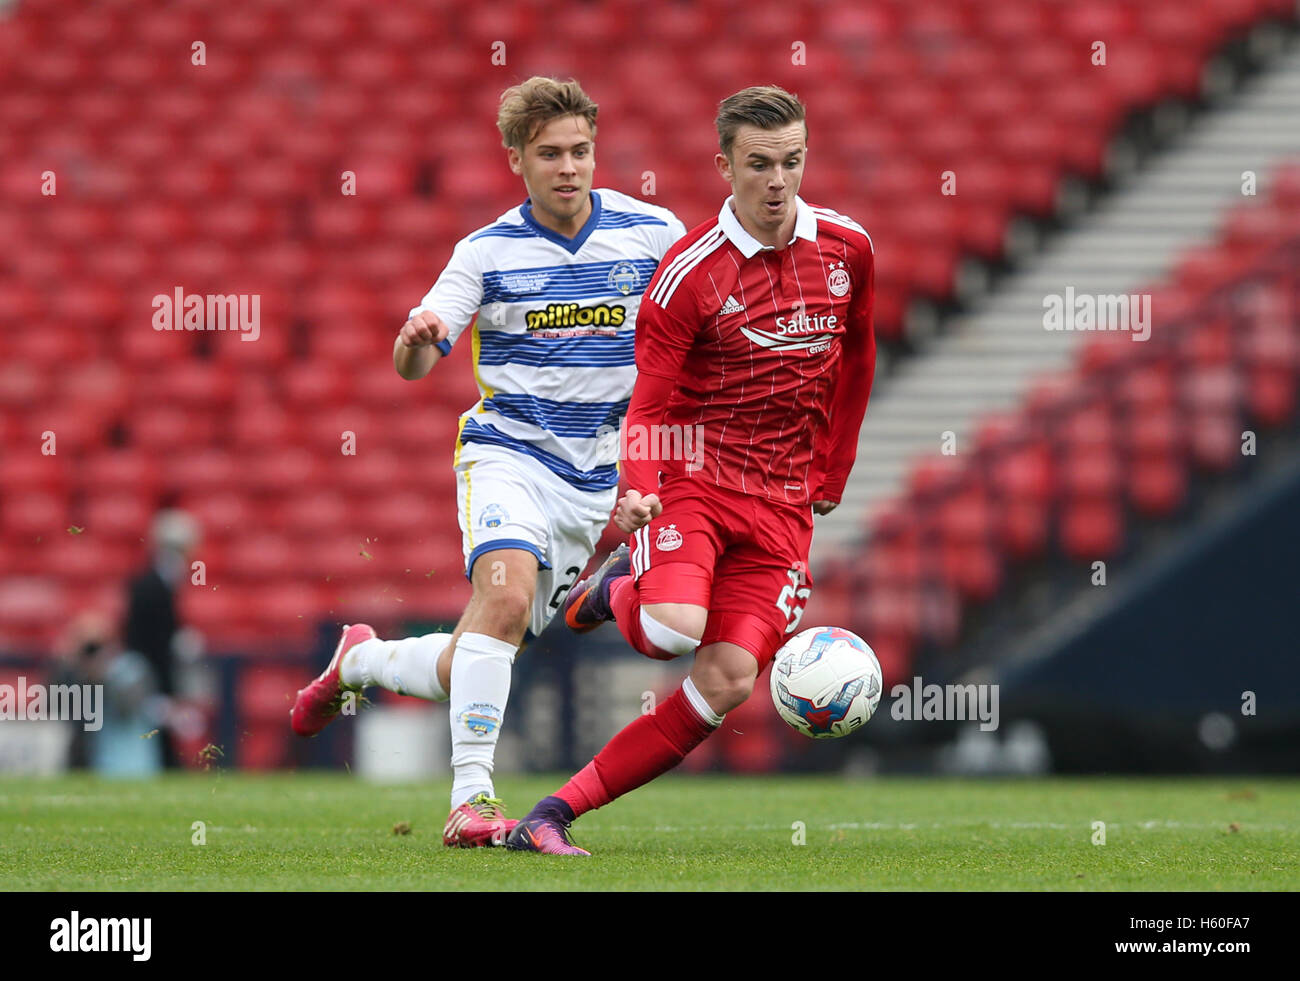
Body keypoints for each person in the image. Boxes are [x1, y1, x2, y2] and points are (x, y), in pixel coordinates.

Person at [290, 77, 685, 848]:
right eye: (549, 154)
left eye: (580, 151)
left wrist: (647, 479)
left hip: (594, 480)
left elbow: (691, 343)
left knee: (481, 649)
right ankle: (470, 800)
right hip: (508, 454)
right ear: (516, 160)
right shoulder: (486, 251)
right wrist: (412, 345)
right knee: (502, 601)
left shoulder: (652, 234)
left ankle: (361, 660)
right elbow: (418, 358)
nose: (569, 167)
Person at [506, 85, 877, 855]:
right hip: (694, 482)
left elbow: (861, 354)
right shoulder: (687, 275)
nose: (779, 181)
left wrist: (833, 470)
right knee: (677, 629)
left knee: (729, 679)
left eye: (793, 162)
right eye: (760, 164)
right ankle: (620, 588)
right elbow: (646, 408)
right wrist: (639, 486)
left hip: (783, 503)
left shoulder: (847, 249)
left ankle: (552, 812)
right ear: (725, 165)